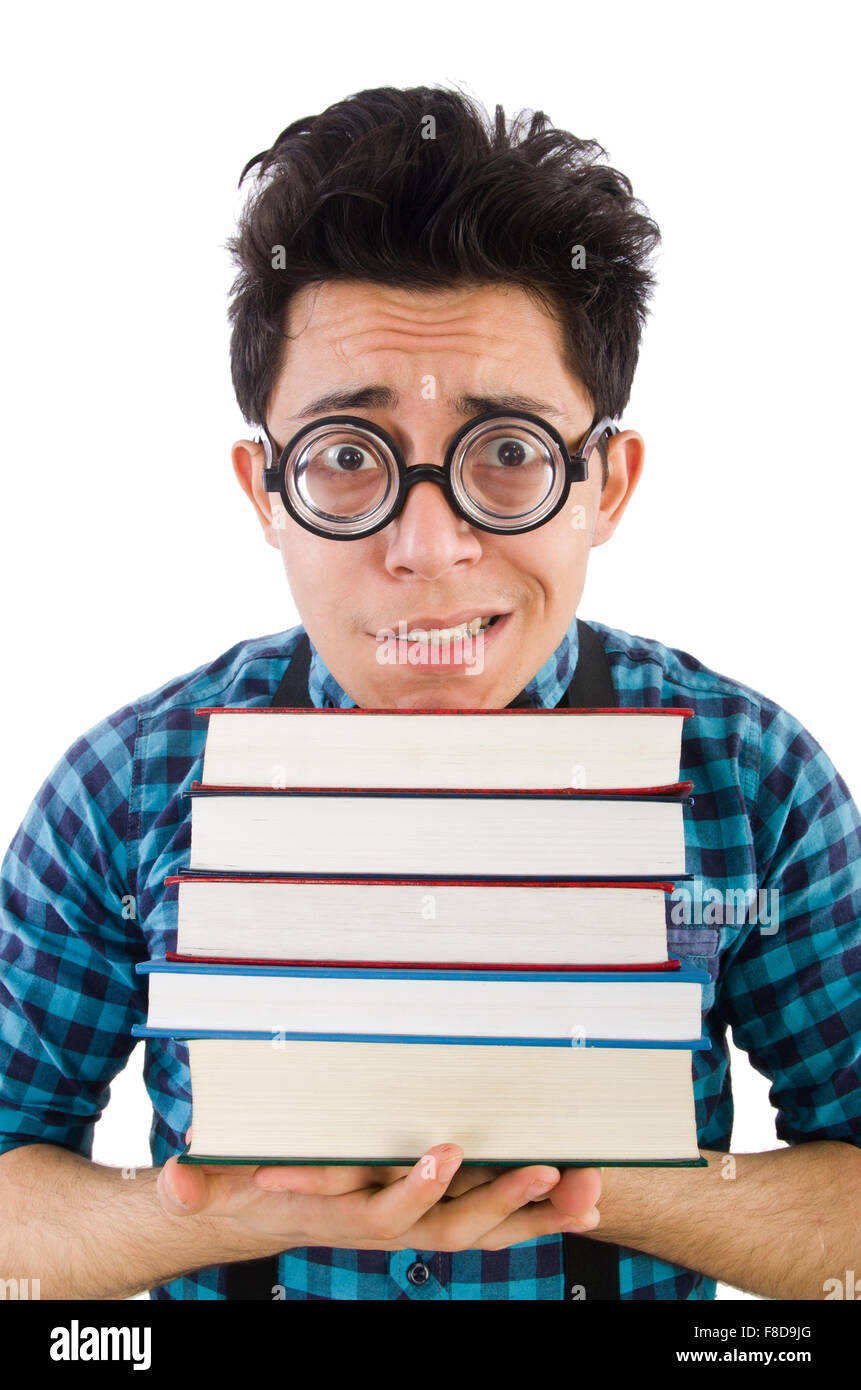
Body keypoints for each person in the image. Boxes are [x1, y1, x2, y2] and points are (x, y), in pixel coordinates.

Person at [0, 86, 858, 1303]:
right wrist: (219, 1214)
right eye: (345, 458)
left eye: (506, 451)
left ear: (607, 483)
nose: (427, 547)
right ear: (262, 490)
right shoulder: (124, 788)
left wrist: (584, 1162)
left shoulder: (750, 774)